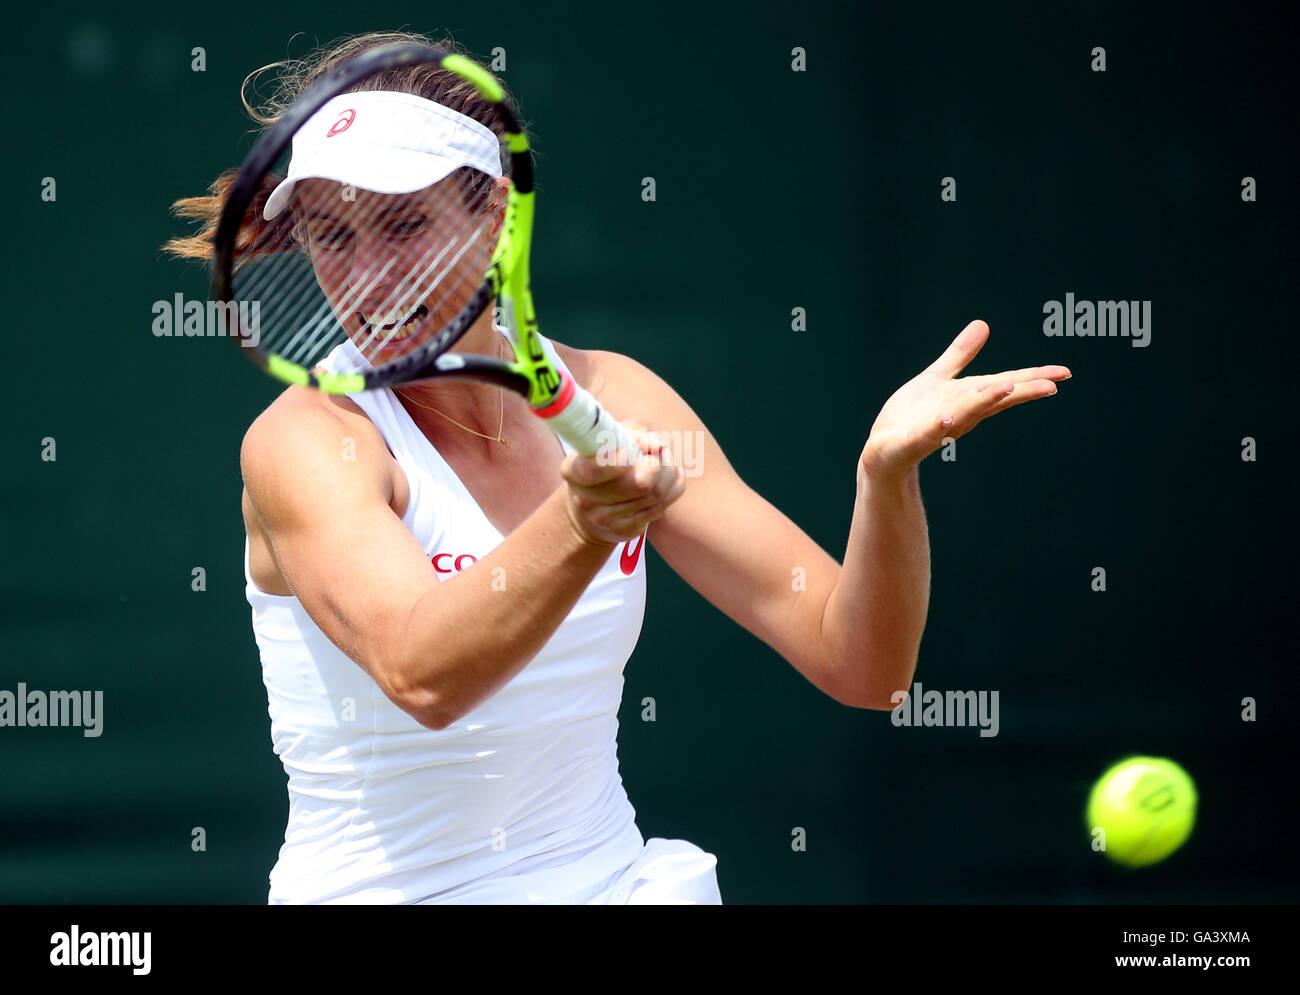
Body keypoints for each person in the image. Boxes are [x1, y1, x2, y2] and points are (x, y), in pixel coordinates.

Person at [165, 31, 1070, 904]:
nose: (364, 274)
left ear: (495, 216)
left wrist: (886, 478)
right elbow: (421, 675)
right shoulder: (308, 440)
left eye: (402, 226)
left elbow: (866, 666)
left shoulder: (625, 397)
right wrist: (581, 522)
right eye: (331, 235)